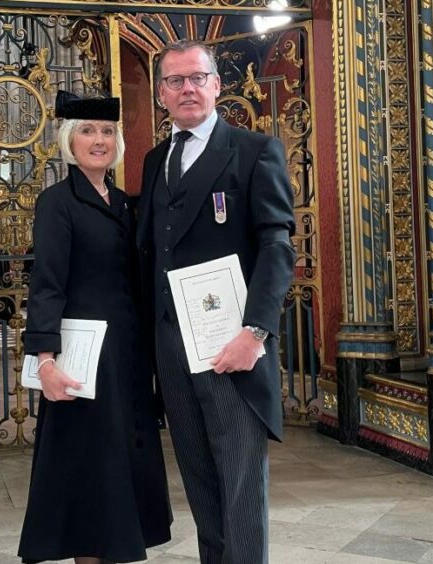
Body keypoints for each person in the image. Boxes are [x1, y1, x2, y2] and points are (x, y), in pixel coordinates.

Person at [136, 39, 296, 563]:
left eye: (197, 78)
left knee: (240, 484)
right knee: (200, 481)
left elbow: (276, 246)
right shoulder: (155, 161)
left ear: (216, 85)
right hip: (171, 346)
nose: (187, 88)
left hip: (231, 343)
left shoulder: (254, 150)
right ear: (161, 93)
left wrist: (256, 332)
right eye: (175, 80)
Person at [18, 90, 172, 564]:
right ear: (70, 140)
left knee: (121, 466)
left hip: (127, 356)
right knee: (90, 470)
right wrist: (45, 361)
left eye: (107, 131)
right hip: (84, 361)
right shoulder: (57, 203)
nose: (99, 140)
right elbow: (47, 284)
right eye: (87, 130)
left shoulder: (125, 204)